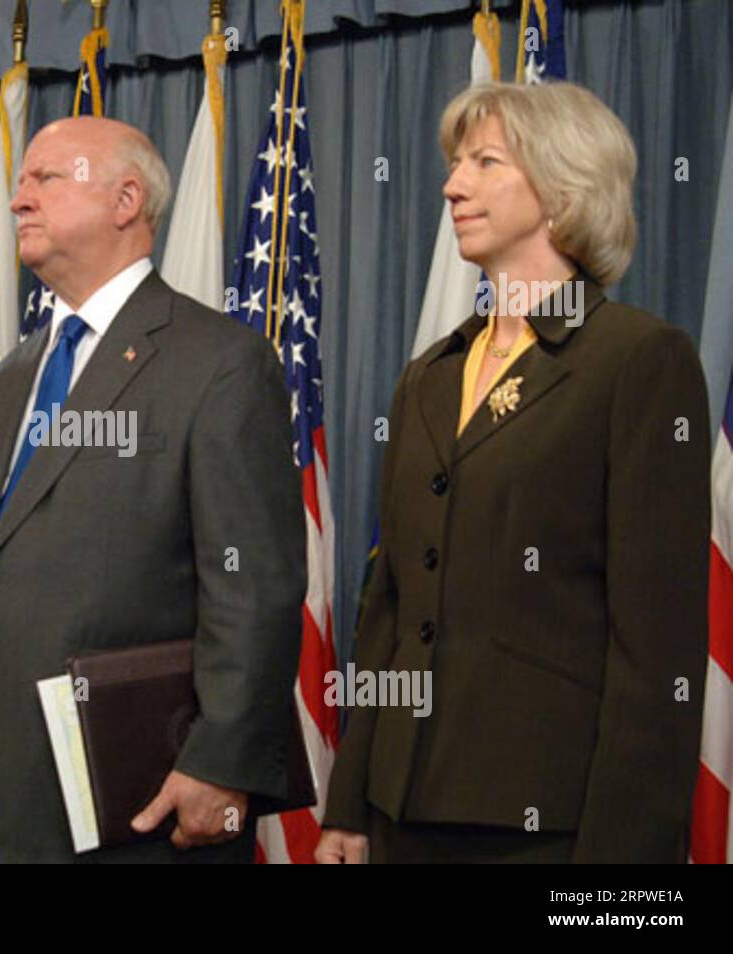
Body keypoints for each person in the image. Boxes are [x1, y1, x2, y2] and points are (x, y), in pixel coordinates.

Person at [318, 81, 710, 863]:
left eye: (484, 161)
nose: (453, 184)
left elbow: (655, 649)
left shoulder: (637, 361)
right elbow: (390, 606)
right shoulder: (431, 374)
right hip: (400, 813)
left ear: (564, 191)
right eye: (455, 163)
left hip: (547, 828)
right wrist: (350, 805)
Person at [0, 116, 307, 863]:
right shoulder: (6, 382)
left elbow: (253, 587)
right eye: (21, 182)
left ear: (126, 200)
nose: (17, 199)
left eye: (45, 179)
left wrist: (221, 761)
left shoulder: (221, 363)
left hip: (134, 808)